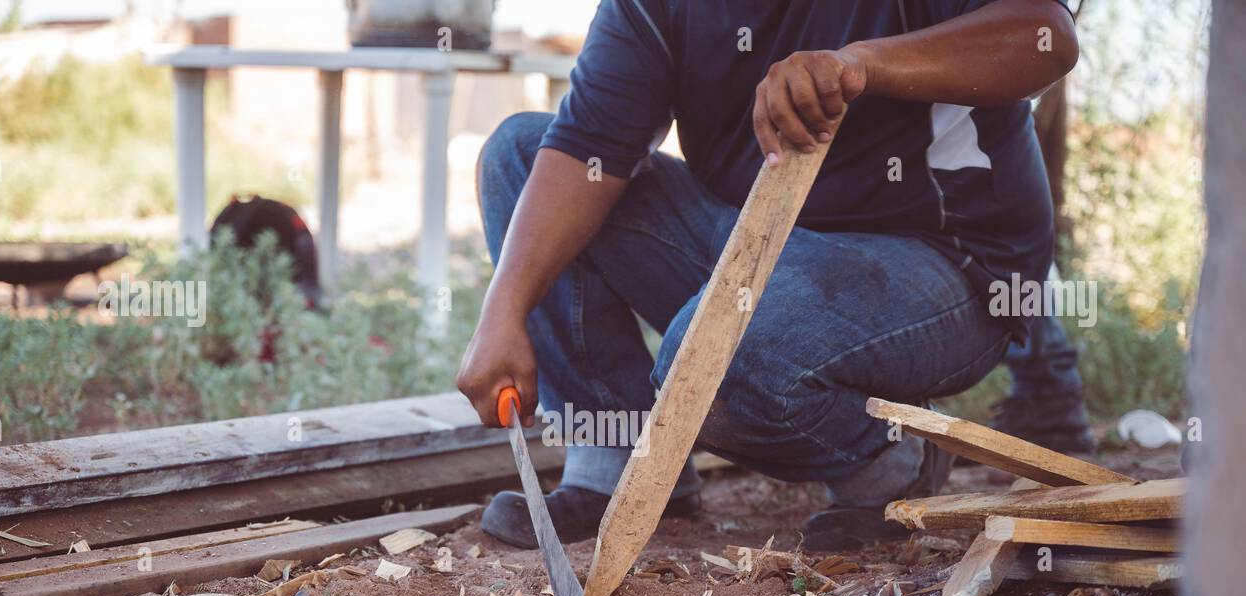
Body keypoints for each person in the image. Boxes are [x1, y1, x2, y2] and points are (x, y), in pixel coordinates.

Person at [457, 0, 1080, 551]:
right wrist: (503, 310)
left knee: (708, 363)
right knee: (520, 152)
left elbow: (1045, 34)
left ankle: (890, 466)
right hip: (761, 237)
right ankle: (616, 461)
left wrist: (861, 64)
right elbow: (587, 147)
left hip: (944, 264)